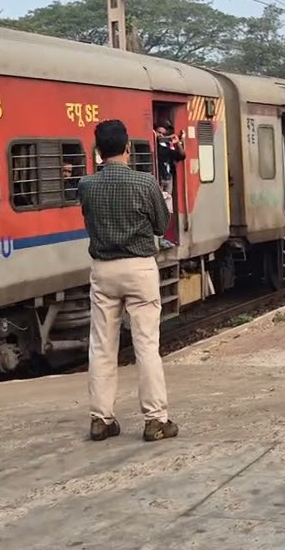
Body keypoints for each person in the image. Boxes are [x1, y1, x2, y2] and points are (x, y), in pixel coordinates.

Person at [78, 119, 178, 443]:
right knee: (146, 345)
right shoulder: (145, 182)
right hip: (139, 269)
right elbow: (161, 226)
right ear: (128, 148)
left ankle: (101, 419)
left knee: (101, 346)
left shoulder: (86, 185)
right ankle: (155, 420)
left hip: (103, 270)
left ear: (98, 151)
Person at [154, 123, 185, 195]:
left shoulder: (168, 146)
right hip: (159, 178)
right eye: (159, 132)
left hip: (168, 178)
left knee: (168, 198)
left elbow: (182, 156)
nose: (161, 135)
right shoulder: (155, 145)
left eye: (163, 134)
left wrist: (178, 143)